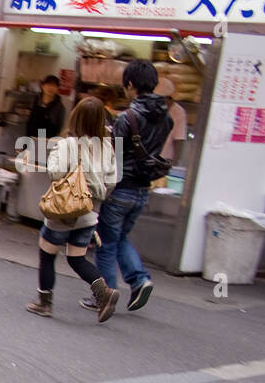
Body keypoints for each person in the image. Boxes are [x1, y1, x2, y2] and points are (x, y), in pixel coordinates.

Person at [83, 59, 172, 314]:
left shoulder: (127, 117)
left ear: (130, 85)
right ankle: (139, 279)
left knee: (105, 244)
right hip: (144, 190)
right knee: (119, 237)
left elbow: (116, 160)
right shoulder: (166, 119)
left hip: (121, 189)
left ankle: (105, 294)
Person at [26, 96, 120, 322]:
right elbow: (113, 181)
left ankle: (44, 303)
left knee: (47, 254)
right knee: (77, 258)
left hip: (64, 210)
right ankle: (103, 292)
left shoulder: (68, 144)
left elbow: (55, 173)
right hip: (89, 213)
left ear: (75, 117)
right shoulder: (108, 147)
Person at [155, 77, 189, 171]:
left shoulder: (178, 112)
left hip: (163, 160)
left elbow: (179, 140)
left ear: (170, 99)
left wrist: (174, 164)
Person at [25, 74, 66, 144]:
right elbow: (29, 122)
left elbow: (58, 129)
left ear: (57, 89)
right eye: (48, 84)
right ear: (42, 86)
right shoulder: (35, 101)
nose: (50, 88)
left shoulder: (59, 107)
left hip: (46, 142)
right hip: (30, 139)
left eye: (54, 85)